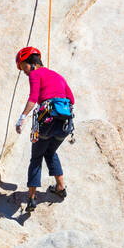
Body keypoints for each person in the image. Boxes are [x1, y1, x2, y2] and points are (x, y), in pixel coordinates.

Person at [14, 46, 74, 211]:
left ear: (31, 63)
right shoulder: (58, 76)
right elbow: (71, 99)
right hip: (64, 125)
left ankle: (31, 198)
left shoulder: (34, 74)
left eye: (23, 66)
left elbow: (33, 97)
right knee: (50, 152)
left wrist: (22, 118)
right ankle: (60, 188)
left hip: (47, 124)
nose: (24, 71)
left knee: (37, 157)